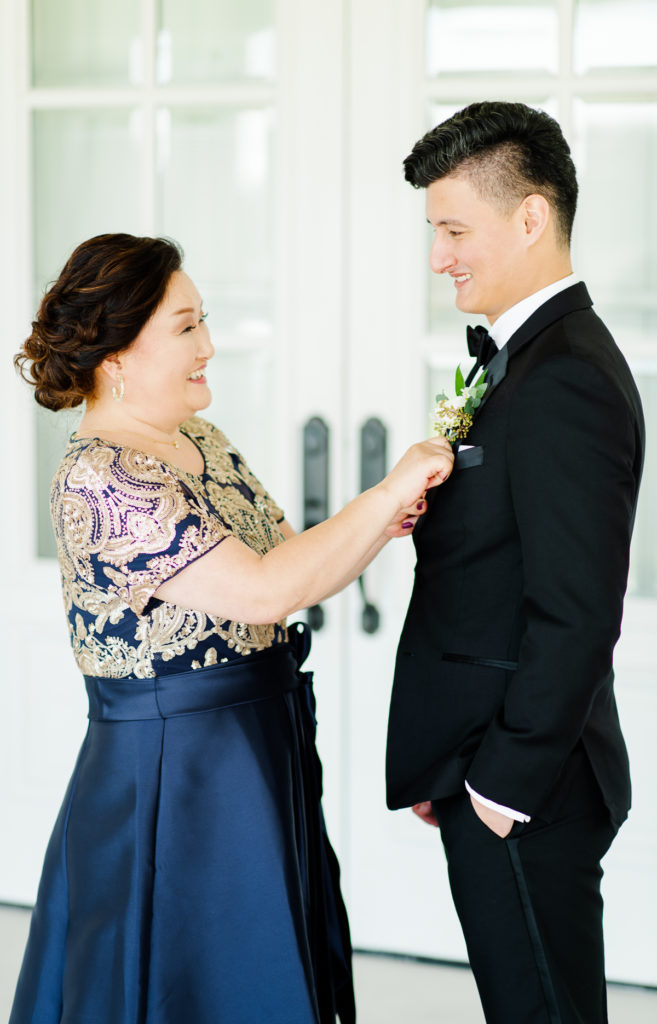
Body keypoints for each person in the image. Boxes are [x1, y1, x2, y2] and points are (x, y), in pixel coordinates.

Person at [11, 232, 454, 1024]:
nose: (208, 345)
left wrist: (381, 520)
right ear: (117, 351)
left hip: (255, 745)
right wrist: (387, 491)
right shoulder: (102, 473)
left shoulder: (198, 439)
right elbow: (259, 592)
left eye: (202, 322)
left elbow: (287, 560)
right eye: (185, 328)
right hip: (174, 768)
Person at [385, 102, 645, 1023]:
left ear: (529, 218)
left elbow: (578, 610)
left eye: (453, 229)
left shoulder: (565, 375)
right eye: (434, 231)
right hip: (480, 758)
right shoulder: (521, 360)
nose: (438, 257)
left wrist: (500, 783)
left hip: (525, 780)